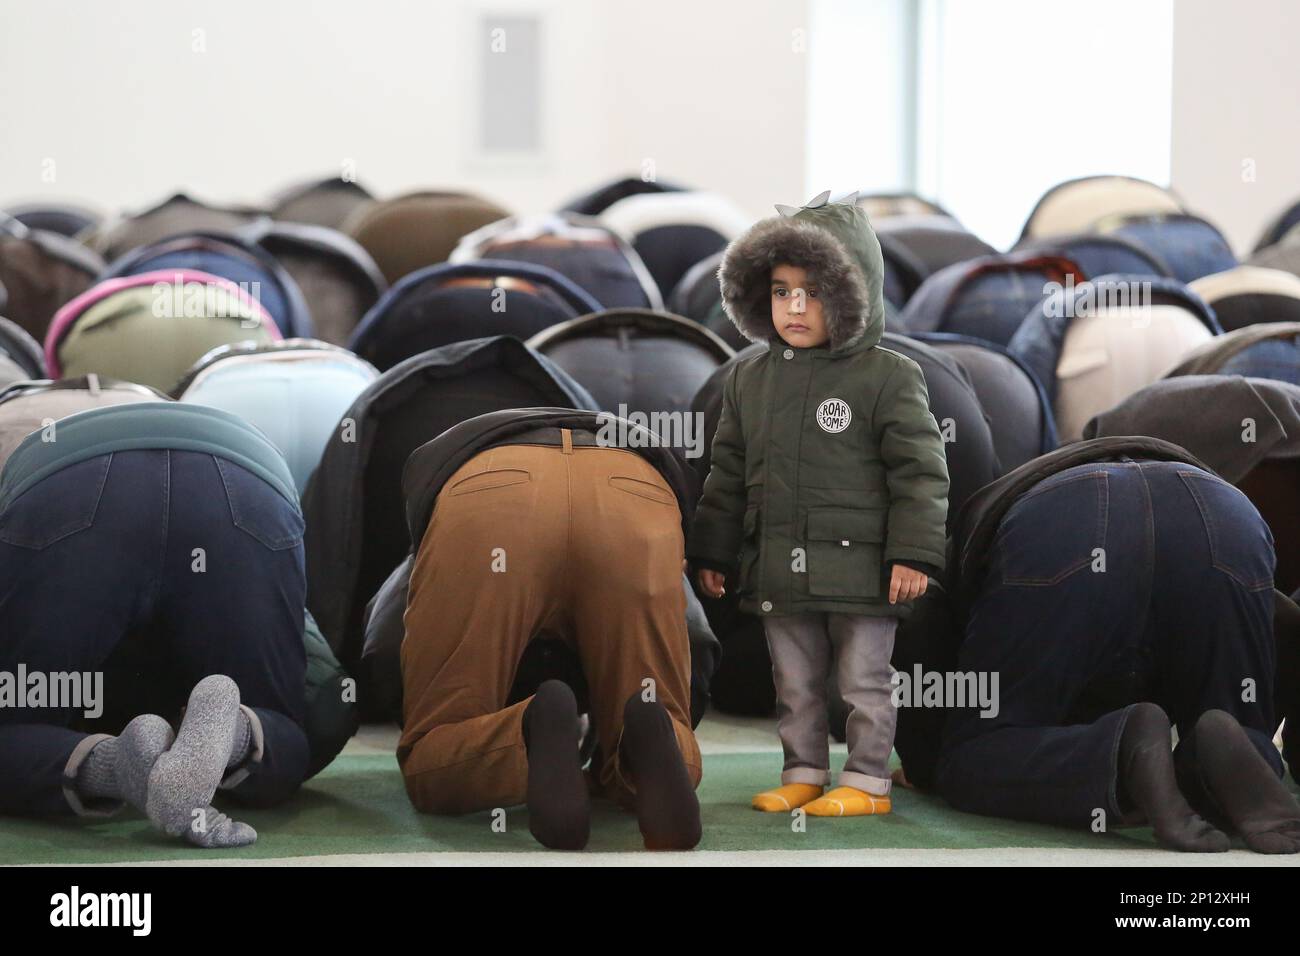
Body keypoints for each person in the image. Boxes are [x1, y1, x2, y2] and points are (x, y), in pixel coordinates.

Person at [893, 436, 1300, 854]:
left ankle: (1122, 751)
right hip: (1227, 516)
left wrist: (923, 761)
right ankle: (1235, 743)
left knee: (970, 760)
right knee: (1237, 721)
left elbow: (919, 614)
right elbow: (1284, 618)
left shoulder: (970, 554)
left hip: (1061, 522)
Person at [688, 191, 949, 816]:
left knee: (863, 681)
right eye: (781, 291)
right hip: (779, 561)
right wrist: (716, 549)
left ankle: (867, 781)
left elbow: (921, 472)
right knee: (795, 682)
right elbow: (726, 473)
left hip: (864, 567)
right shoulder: (749, 378)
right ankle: (803, 769)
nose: (795, 307)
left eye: (813, 291)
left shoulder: (888, 376)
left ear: (852, 292)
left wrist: (913, 554)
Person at [0, 402, 356, 848]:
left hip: (62, 479)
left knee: (13, 725)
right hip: (245, 472)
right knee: (285, 722)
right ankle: (235, 733)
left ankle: (114, 764)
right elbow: (318, 679)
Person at [390, 408, 710, 850]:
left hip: (488, 490)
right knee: (661, 711)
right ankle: (638, 748)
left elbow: (381, 640)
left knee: (433, 748)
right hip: (634, 484)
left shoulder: (453, 463)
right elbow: (698, 638)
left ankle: (527, 727)